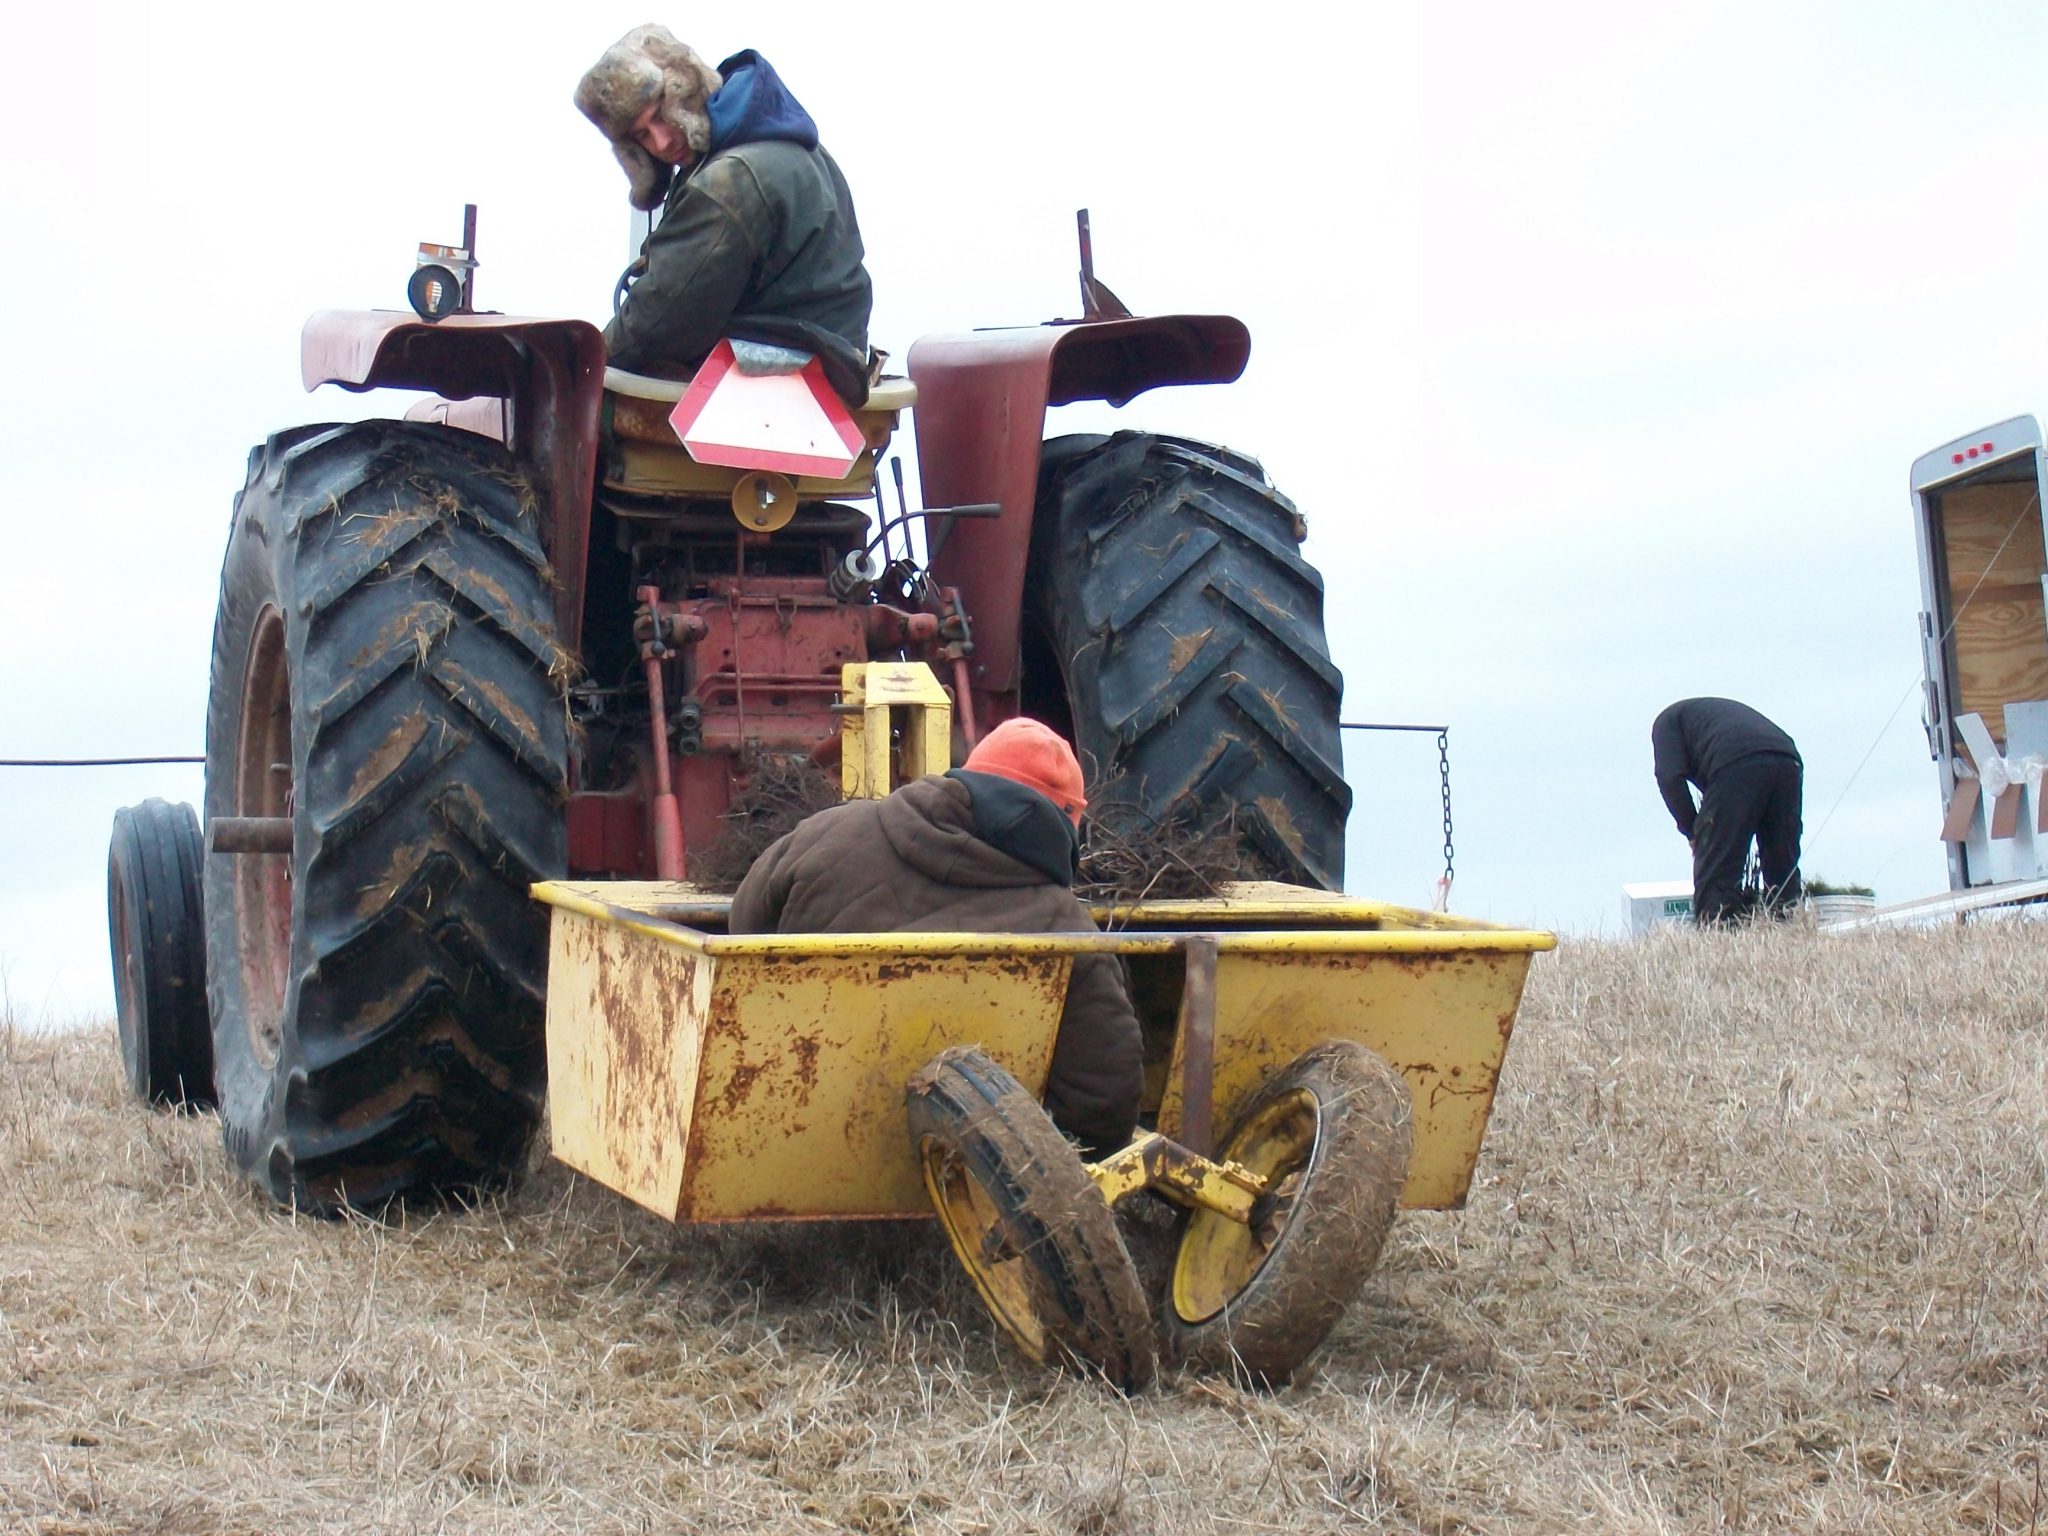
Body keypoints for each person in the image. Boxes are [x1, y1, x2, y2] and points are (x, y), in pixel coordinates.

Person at [728, 719, 1145, 1156]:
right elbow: (1103, 1105)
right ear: (1066, 821)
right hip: (956, 1166)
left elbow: (743, 933)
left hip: (788, 1132)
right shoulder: (1067, 932)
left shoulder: (826, 833)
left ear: (968, 778)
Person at [575, 26, 874, 408]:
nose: (662, 142)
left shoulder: (726, 182)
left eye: (659, 116)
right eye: (643, 136)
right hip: (826, 362)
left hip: (778, 381)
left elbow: (660, 323)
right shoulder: (781, 139)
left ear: (684, 85)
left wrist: (584, 366)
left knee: (595, 421)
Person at [1651, 698, 1804, 924]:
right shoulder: (1705, 720)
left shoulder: (1665, 723)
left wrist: (1693, 831)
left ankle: (1719, 936)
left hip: (1736, 760)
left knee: (1717, 870)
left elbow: (1669, 778)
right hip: (1787, 758)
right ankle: (1788, 927)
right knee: (1781, 862)